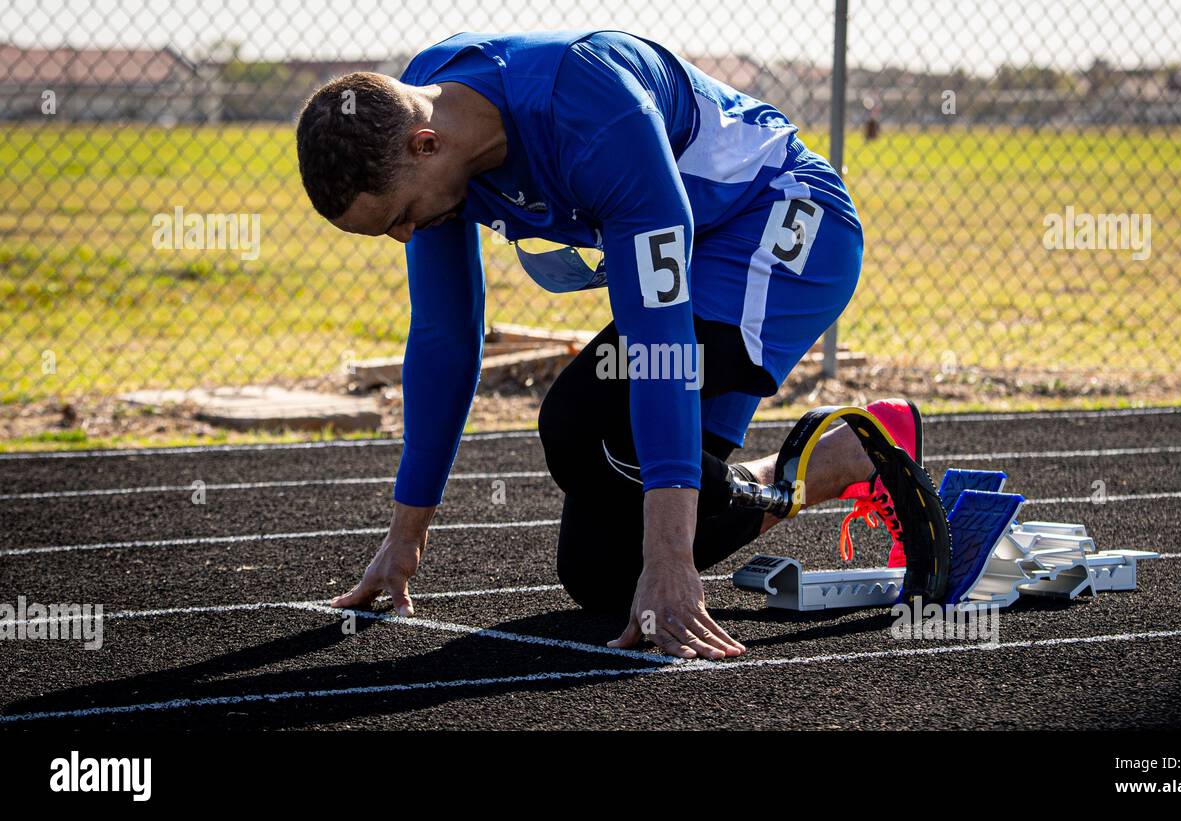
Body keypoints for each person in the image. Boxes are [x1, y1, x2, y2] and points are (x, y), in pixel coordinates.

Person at [295, 29, 936, 661]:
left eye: (400, 217)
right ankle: (854, 455)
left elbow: (661, 348)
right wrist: (405, 540)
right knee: (599, 574)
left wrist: (673, 562)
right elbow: (443, 338)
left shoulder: (592, 111)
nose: (407, 236)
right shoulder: (422, 128)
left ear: (426, 143)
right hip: (702, 255)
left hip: (784, 231)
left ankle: (867, 477)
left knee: (579, 421)